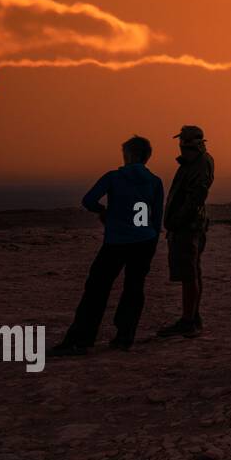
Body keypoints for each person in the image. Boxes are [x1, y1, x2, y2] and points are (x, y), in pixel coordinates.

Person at [52, 136, 164, 356]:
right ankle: (125, 337)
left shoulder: (114, 177)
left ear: (129, 155)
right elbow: (156, 215)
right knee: (134, 288)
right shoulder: (155, 181)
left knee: (97, 289)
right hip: (144, 240)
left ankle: (81, 339)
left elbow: (88, 200)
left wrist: (104, 212)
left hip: (117, 241)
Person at [158, 125, 215, 338]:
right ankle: (192, 317)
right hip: (191, 225)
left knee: (189, 274)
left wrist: (176, 221)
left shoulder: (198, 164)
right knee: (193, 272)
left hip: (188, 227)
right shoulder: (199, 162)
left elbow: (195, 197)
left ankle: (188, 320)